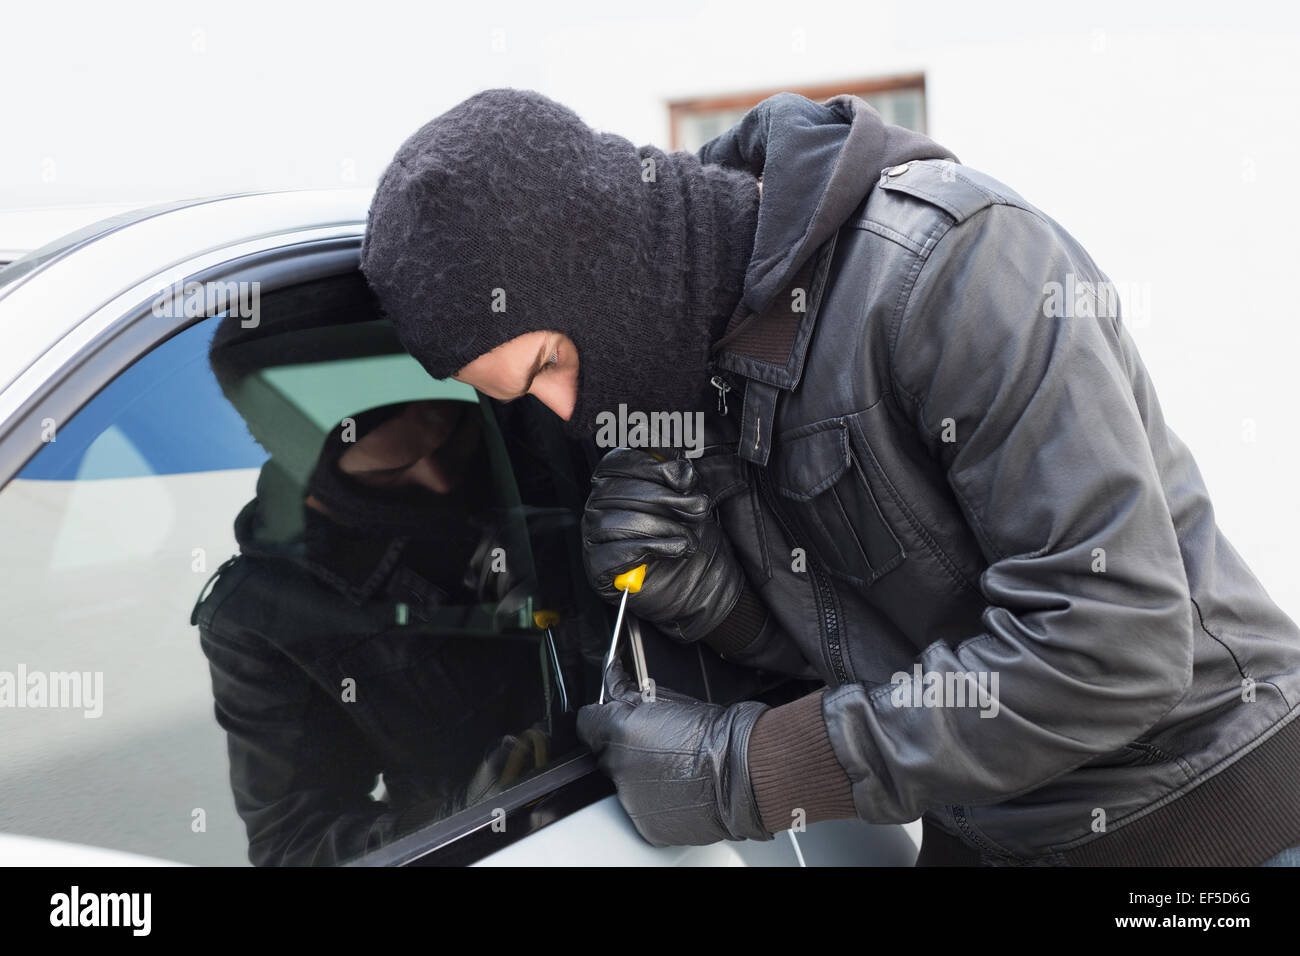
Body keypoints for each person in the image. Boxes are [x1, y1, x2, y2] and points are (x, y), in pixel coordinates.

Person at [357, 88, 1300, 866]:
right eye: (525, 398)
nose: (565, 412)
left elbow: (1112, 647)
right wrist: (726, 609)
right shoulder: (698, 373)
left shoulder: (956, 268)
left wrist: (755, 773)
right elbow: (904, 650)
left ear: (602, 262)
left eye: (549, 364)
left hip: (1211, 826)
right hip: (994, 837)